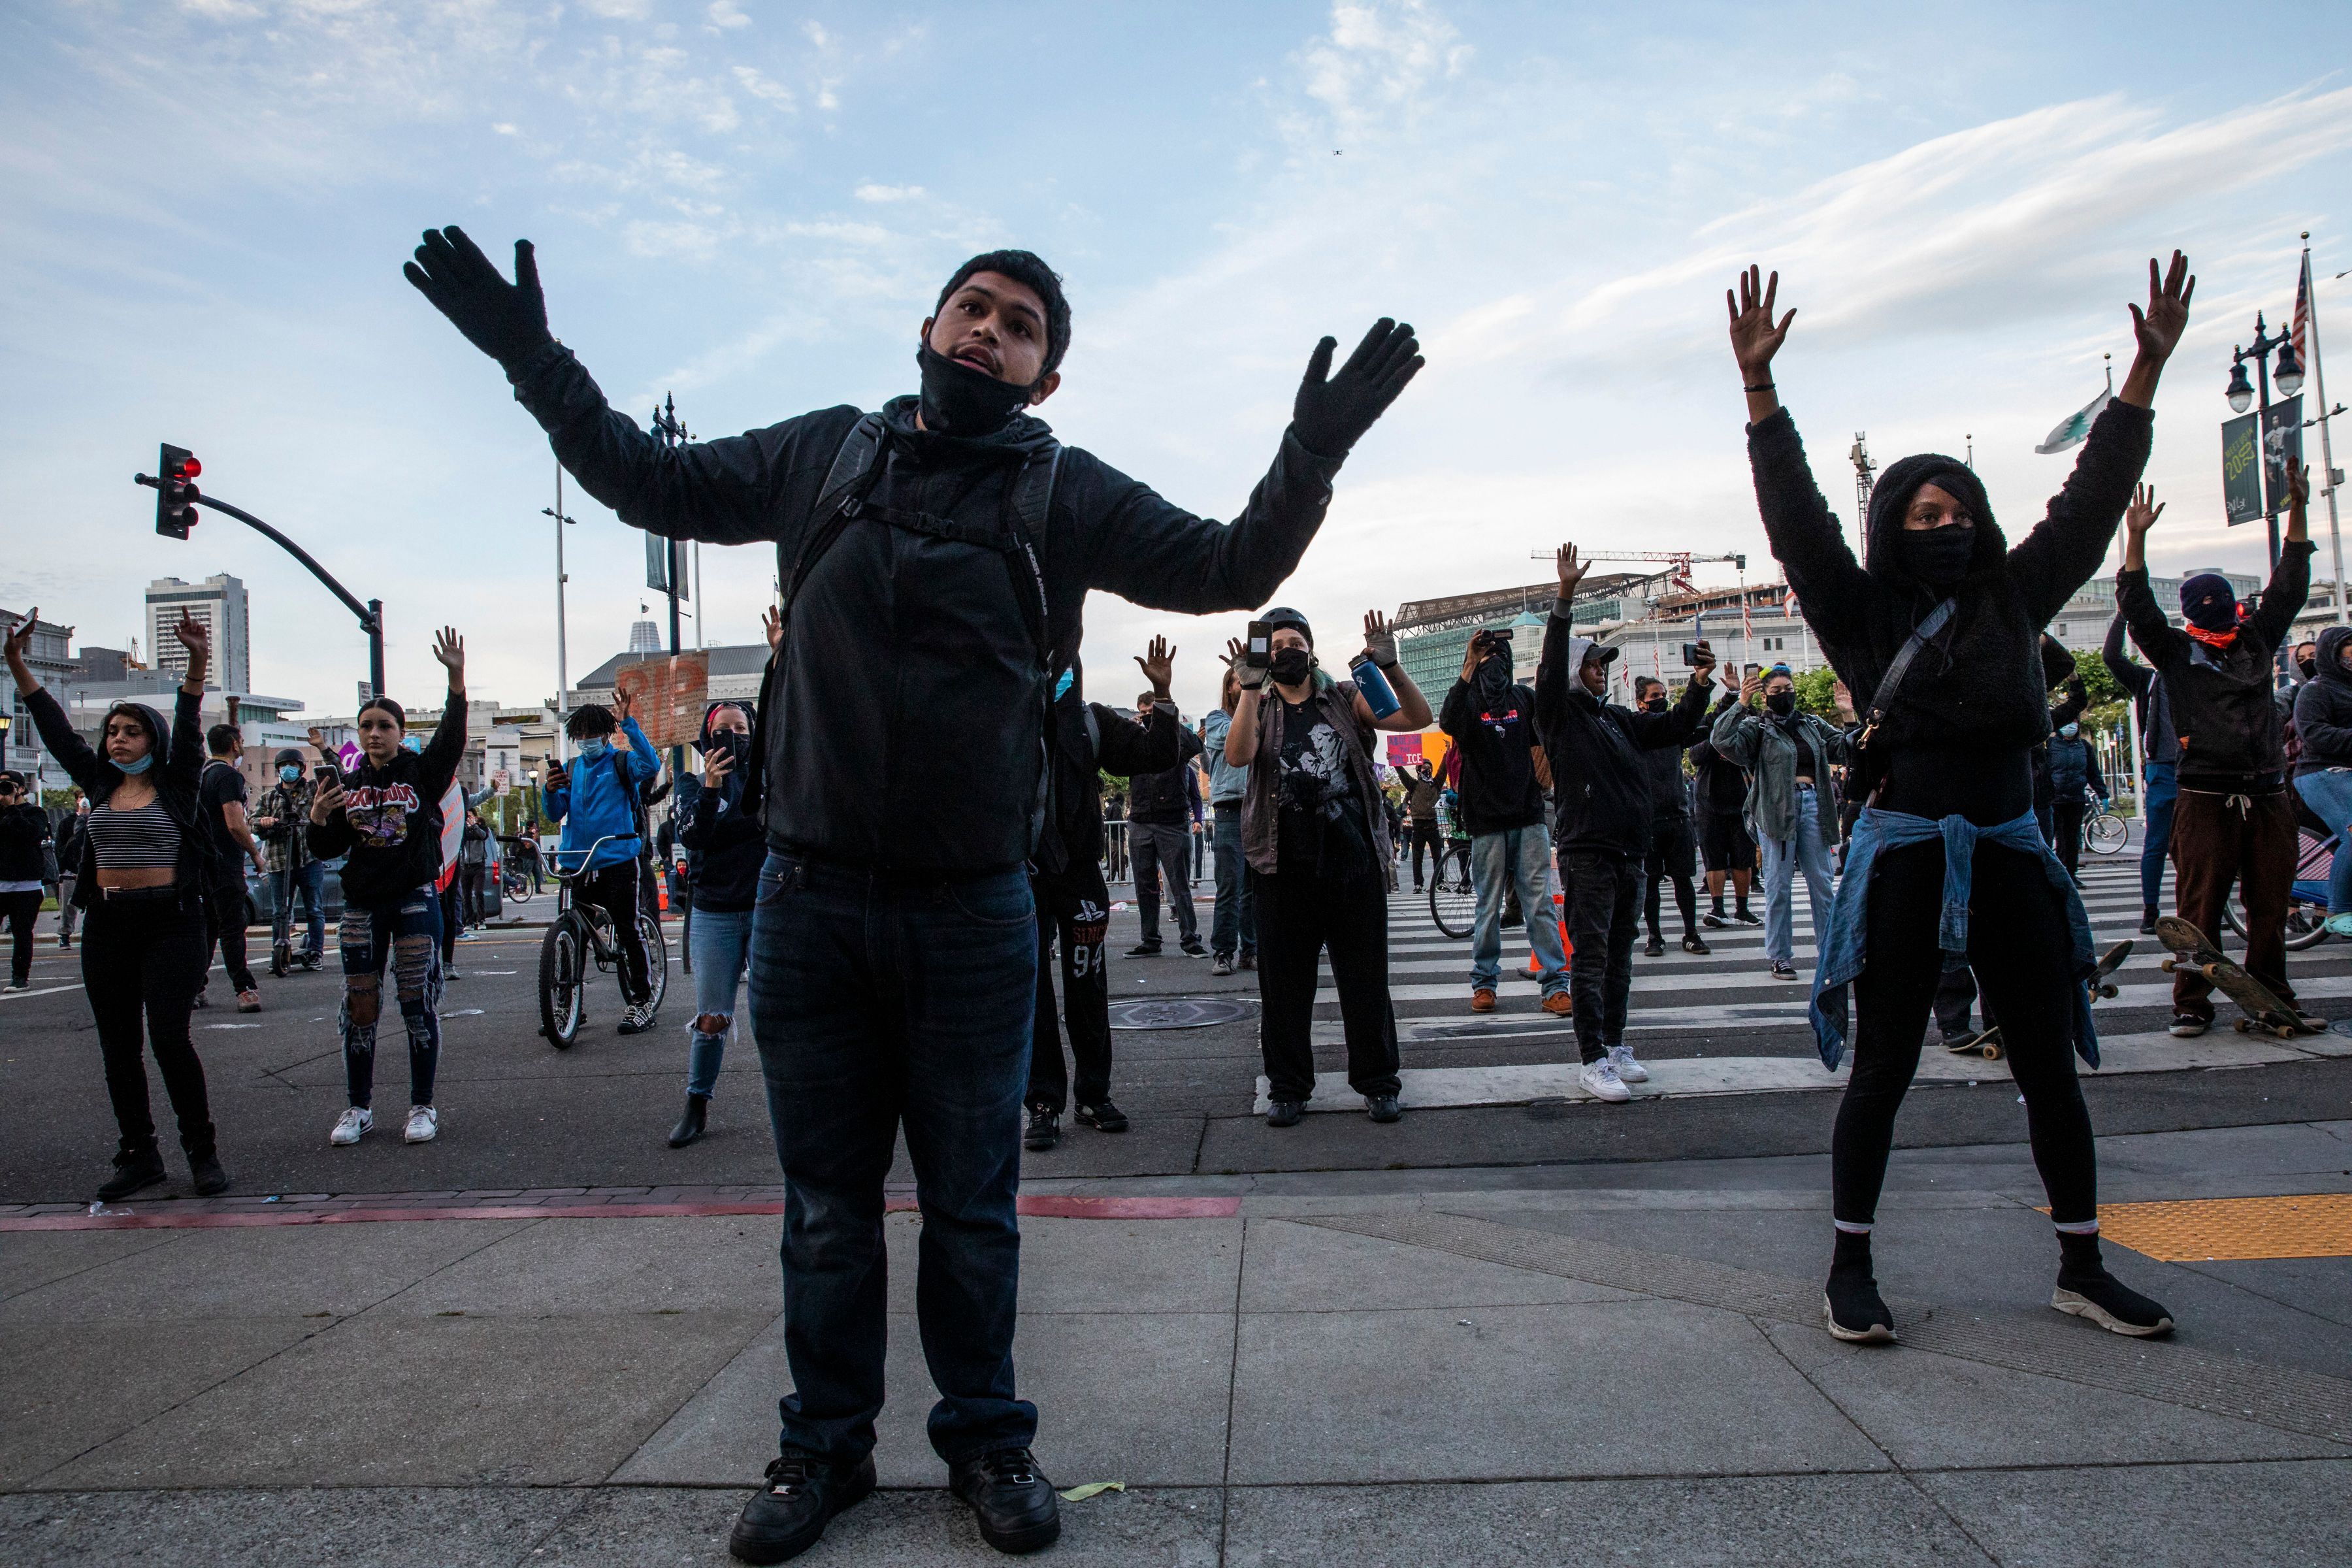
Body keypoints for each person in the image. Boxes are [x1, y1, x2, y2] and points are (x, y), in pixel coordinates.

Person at [406, 222, 1419, 1560]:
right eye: (974, 310)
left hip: (974, 910)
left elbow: (1229, 566)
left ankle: (988, 1440)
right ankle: (821, 1450)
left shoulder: (1062, 494)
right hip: (810, 900)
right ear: (927, 330)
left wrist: (1315, 455)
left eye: (1021, 327)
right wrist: (531, 356)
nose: (991, 332)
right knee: (823, 1209)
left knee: (971, 1206)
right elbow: (642, 476)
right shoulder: (822, 454)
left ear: (1046, 379)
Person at [1731, 255, 2192, 1343]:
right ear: (1894, 525)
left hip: (2013, 843)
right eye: (1920, 510)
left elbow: (2089, 504)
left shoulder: (2013, 595)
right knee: (1885, 1067)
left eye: (1955, 508)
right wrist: (1760, 393)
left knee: (2046, 1062)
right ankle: (1849, 1266)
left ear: (1978, 521)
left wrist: (2147, 372)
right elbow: (1796, 516)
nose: (1939, 522)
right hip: (1904, 850)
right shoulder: (1860, 608)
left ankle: (2082, 1263)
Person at [9, 610, 230, 1199]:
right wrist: (16, 664)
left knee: (168, 1036)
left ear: (150, 741)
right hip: (108, 923)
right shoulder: (101, 785)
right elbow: (54, 727)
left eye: (131, 731)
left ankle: (201, 1152)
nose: (119, 740)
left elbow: (187, 721)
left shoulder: (179, 781)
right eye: (113, 732)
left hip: (172, 922)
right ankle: (140, 1155)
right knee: (118, 1045)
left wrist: (197, 661)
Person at [2121, 471, 2319, 1037]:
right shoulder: (2176, 653)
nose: (2215, 610)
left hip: (2266, 793)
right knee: (2198, 909)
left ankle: (2272, 996)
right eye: (2204, 605)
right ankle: (2191, 1002)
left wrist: (2298, 511)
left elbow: (2292, 582)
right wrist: (2135, 540)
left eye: (2221, 604)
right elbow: (2137, 606)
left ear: (2233, 607)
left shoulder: (2256, 640)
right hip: (2205, 794)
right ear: (2191, 610)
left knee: (2270, 907)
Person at [1226, 608, 1429, 1126]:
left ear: (1311, 649)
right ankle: (1289, 1088)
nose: (1284, 651)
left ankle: (1379, 1082)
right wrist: (1250, 687)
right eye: (1273, 647)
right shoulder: (1260, 703)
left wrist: (1391, 668)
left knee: (1364, 980)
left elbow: (1417, 717)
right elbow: (1237, 756)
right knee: (1284, 986)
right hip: (1281, 868)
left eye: (1293, 641)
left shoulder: (1343, 696)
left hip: (1351, 864)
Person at [1535, 547, 1718, 1102]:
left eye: (1605, 666)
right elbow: (1548, 665)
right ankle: (1591, 1057)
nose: (1602, 671)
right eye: (1594, 665)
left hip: (1628, 853)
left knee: (1619, 956)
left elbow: (1675, 728)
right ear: (1575, 673)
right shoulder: (1559, 716)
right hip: (1588, 851)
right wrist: (1564, 597)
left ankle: (1614, 1045)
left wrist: (1702, 684)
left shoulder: (1616, 719)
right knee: (1590, 959)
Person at [308, 629, 470, 1149]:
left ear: (401, 732)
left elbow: (452, 736)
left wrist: (456, 679)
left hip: (415, 900)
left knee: (416, 1002)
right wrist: (317, 817)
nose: (374, 734)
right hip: (361, 905)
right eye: (366, 727)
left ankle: (422, 1105)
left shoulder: (421, 773)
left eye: (384, 726)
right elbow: (326, 846)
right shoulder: (344, 784)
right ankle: (359, 1108)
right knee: (360, 1005)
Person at [1026, 640, 1186, 1151]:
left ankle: (1093, 1095)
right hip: (1020, 876)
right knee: (1030, 994)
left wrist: (1162, 694)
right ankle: (1043, 1104)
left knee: (1087, 987)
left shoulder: (1091, 722)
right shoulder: (1002, 714)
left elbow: (1159, 752)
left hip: (1078, 876)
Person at [1439, 626, 1570, 1013]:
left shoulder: (1523, 699)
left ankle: (1555, 984)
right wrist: (1468, 665)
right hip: (1486, 821)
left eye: (1500, 659)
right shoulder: (1469, 704)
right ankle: (1484, 983)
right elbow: (1447, 721)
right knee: (1488, 905)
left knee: (1540, 903)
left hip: (1529, 816)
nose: (1494, 665)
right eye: (1486, 660)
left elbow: (1551, 723)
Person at [670, 695, 767, 1149]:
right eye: (723, 730)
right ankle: (697, 1104)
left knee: (782, 1014)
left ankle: (796, 1107)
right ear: (707, 737)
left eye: (742, 730)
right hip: (715, 913)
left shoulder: (768, 779)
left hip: (770, 909)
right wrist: (711, 790)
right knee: (712, 1018)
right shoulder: (691, 784)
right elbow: (693, 835)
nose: (732, 737)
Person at [1708, 665, 1846, 981]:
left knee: (1823, 885)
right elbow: (1721, 740)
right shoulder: (1757, 727)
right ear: (1765, 695)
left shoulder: (1812, 724)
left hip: (1814, 804)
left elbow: (1844, 748)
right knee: (1779, 888)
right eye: (1777, 691)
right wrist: (1740, 701)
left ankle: (1831, 954)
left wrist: (1848, 716)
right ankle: (1780, 956)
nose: (1786, 694)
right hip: (1775, 812)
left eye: (1789, 688)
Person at [542, 696, 661, 1034]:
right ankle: (567, 1005)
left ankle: (641, 1001)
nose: (586, 740)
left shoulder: (623, 763)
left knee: (627, 926)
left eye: (593, 733)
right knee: (572, 931)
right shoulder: (572, 769)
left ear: (607, 735)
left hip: (618, 859)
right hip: (577, 862)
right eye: (580, 734)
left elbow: (651, 765)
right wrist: (549, 792)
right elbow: (554, 813)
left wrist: (628, 724)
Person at [2104, 611, 2178, 934]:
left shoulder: (2200, 676)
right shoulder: (2148, 680)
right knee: (2157, 844)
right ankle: (2151, 910)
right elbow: (2111, 657)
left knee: (2199, 846)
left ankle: (2203, 907)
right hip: (2163, 768)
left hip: (2200, 768)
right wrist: (2122, 617)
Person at [1123, 687, 1207, 958]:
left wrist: (1168, 722)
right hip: (1140, 818)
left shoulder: (1176, 735)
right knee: (1144, 885)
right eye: (1144, 713)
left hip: (1172, 818)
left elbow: (1196, 746)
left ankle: (1190, 938)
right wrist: (1134, 729)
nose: (1148, 718)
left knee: (1178, 883)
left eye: (1152, 713)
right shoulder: (1134, 736)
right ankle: (1150, 939)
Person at [1631, 674, 1709, 960]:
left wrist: (1733, 700)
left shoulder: (1675, 733)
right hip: (1649, 819)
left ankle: (1691, 932)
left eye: (1663, 695)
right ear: (1641, 704)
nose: (1661, 700)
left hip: (1677, 816)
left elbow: (1702, 725)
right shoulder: (1638, 732)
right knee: (1650, 882)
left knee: (1683, 879)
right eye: (1654, 697)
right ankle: (1654, 935)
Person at [196, 724, 267, 1013]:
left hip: (200, 864)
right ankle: (244, 988)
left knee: (207, 930)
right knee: (232, 929)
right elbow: (235, 823)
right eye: (240, 742)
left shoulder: (201, 775)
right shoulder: (228, 776)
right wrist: (256, 855)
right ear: (235, 745)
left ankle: (195, 988)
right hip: (224, 863)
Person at [2293, 625, 2352, 936]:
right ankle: (2338, 910)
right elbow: (2314, 734)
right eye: (2348, 646)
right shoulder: (2315, 690)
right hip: (2323, 772)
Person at [1199, 666, 1258, 977]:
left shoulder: (1263, 713)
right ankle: (1223, 951)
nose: (1246, 683)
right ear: (1230, 687)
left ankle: (1251, 949)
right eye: (1239, 679)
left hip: (1258, 807)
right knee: (1229, 887)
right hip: (1229, 810)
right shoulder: (1217, 718)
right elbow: (1231, 737)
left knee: (1253, 888)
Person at [1687, 694, 1757, 928]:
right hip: (1709, 804)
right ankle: (1717, 907)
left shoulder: (1749, 726)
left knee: (1743, 859)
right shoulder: (1708, 729)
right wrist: (1717, 737)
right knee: (1714, 860)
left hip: (1742, 803)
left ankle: (1742, 909)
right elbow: (1695, 756)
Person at [253, 747, 326, 973]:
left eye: (293, 766)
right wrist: (265, 822)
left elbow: (331, 784)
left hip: (309, 859)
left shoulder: (311, 791)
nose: (288, 770)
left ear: (302, 769)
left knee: (314, 908)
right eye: (284, 766)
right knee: (280, 911)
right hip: (279, 862)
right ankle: (280, 949)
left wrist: (323, 749)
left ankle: (315, 952)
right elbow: (253, 821)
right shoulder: (269, 797)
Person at [0, 770, 50, 990]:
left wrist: (11, 808)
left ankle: (20, 978)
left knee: (22, 934)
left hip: (26, 885)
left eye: (7, 786)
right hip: (1, 883)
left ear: (20, 788)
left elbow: (33, 835)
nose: (3, 790)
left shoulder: (35, 812)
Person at [2046, 717, 2108, 881]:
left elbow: (2093, 773)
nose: (2070, 726)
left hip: (2075, 799)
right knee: (2054, 837)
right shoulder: (2050, 746)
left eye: (2073, 722)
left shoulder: (2084, 747)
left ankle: (2071, 874)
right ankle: (2055, 875)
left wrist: (2103, 794)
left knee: (2072, 839)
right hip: (2054, 799)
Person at [1401, 760, 1444, 891]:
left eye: (1429, 767)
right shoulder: (1413, 785)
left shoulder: (1436, 784)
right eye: (1424, 767)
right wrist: (1395, 762)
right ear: (1419, 770)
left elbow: (1444, 769)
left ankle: (1439, 882)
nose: (1427, 770)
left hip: (1433, 823)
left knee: (1438, 857)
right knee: (1417, 858)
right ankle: (1418, 884)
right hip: (1419, 825)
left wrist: (1447, 752)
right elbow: (1403, 775)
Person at [54, 791, 88, 949]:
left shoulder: (99, 817)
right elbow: (61, 847)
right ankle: (65, 934)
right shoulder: (67, 822)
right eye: (81, 798)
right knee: (68, 905)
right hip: (72, 869)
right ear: (76, 801)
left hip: (91, 868)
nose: (84, 801)